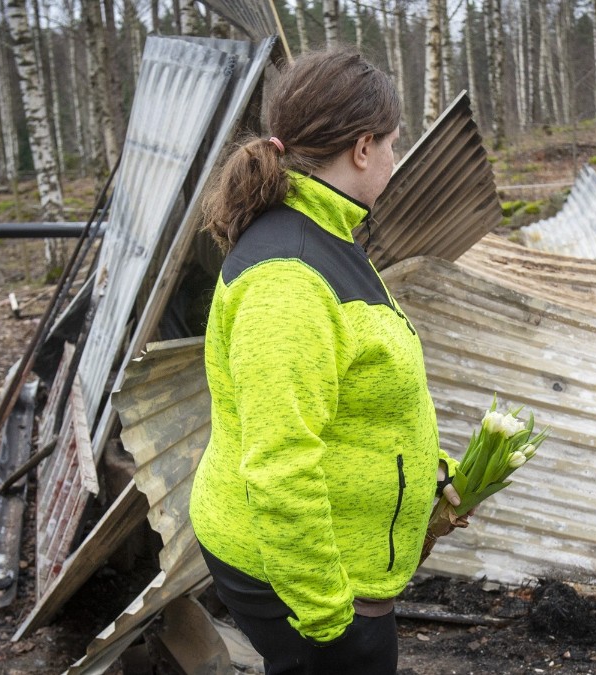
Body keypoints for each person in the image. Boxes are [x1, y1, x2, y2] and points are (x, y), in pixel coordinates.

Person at [188, 48, 460, 675]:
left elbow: (353, 401)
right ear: (363, 148)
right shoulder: (288, 280)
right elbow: (280, 465)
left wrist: (430, 475)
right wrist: (332, 623)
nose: (395, 156)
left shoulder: (329, 232)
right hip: (299, 583)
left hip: (329, 565)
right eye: (393, 142)